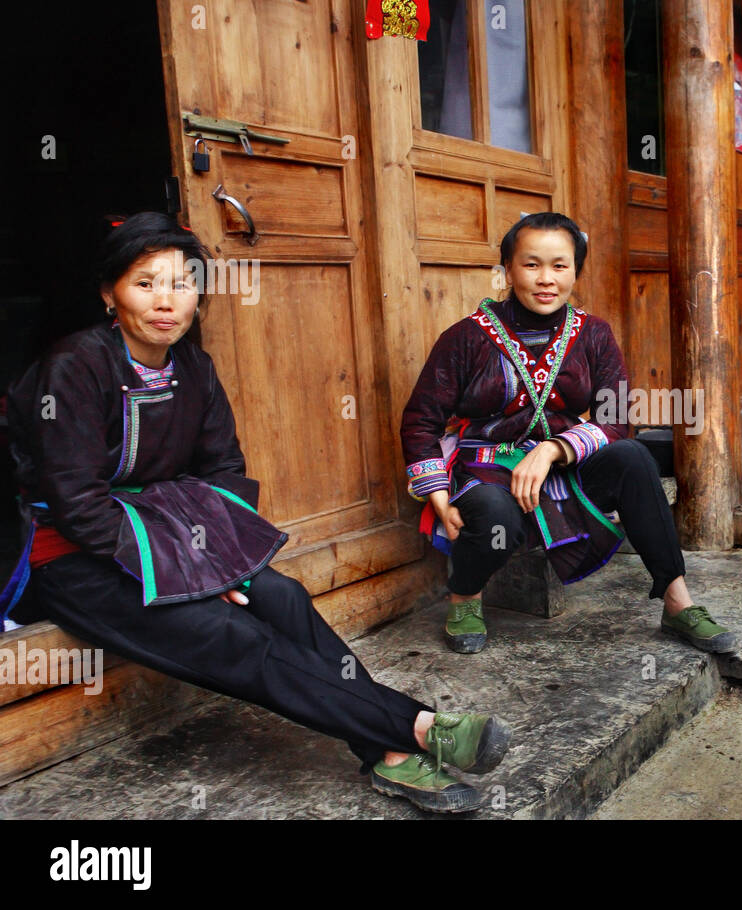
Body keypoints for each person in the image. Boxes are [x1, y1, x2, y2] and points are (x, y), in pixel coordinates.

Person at [2, 213, 510, 814]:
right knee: (229, 634)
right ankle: (419, 728)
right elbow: (77, 503)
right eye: (145, 283)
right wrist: (185, 573)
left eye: (182, 283)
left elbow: (224, 471)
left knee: (286, 598)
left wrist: (208, 560)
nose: (166, 301)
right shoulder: (75, 367)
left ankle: (390, 752)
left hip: (175, 538)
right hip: (80, 558)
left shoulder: (195, 368)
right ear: (109, 293)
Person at [401, 212, 737, 654]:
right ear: (507, 269)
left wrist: (551, 451)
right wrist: (439, 499)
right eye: (531, 264)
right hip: (489, 465)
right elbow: (421, 420)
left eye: (559, 266)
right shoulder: (466, 338)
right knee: (493, 515)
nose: (546, 279)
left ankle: (677, 601)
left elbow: (615, 417)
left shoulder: (593, 334)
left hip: (564, 464)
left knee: (634, 457)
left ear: (575, 270)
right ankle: (465, 596)